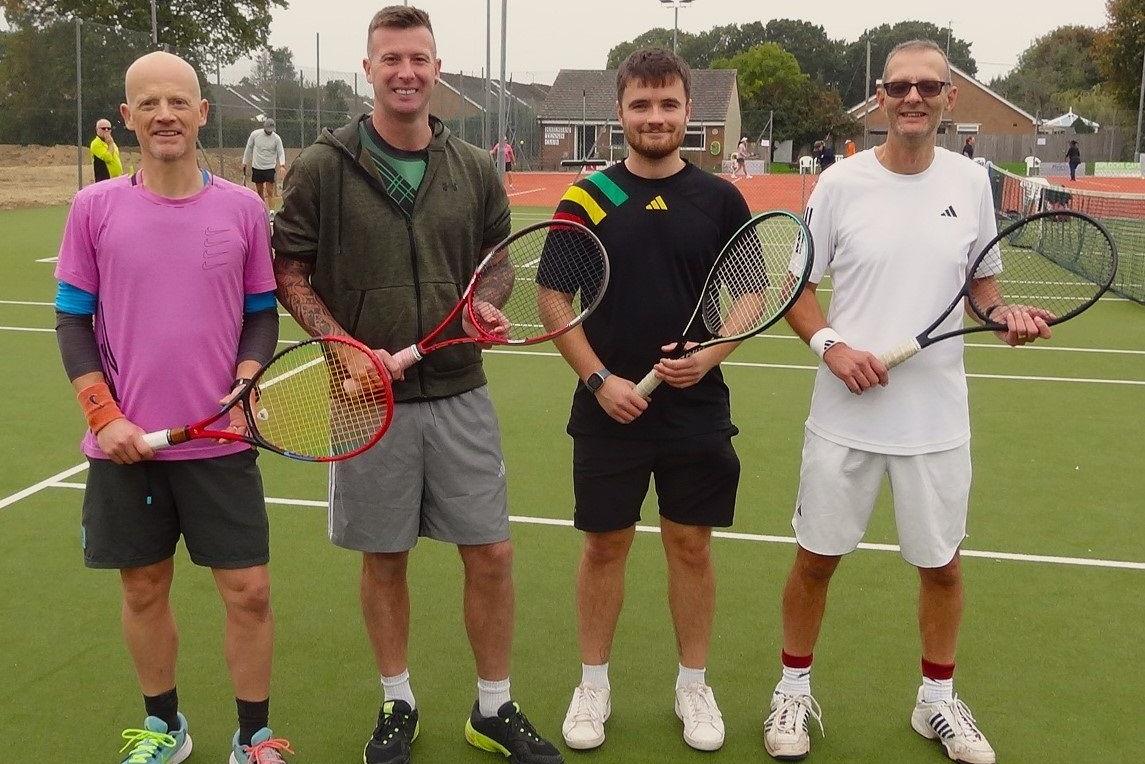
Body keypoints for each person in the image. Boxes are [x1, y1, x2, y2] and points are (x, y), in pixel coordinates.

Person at [271, 7, 562, 764]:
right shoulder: (321, 166)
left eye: (419, 59)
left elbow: (496, 262)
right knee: (384, 556)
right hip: (367, 399)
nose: (406, 72)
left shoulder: (473, 167)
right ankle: (396, 700)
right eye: (391, 59)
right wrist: (343, 349)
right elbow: (289, 270)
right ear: (367, 69)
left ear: (437, 68)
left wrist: (487, 302)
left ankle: (492, 707)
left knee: (491, 553)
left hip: (460, 388)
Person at [762, 39, 1051, 764]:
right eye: (898, 87)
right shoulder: (838, 185)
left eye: (927, 86)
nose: (912, 97)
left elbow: (981, 288)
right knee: (815, 561)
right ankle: (792, 690)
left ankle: (936, 701)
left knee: (942, 567)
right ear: (880, 99)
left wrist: (1004, 317)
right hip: (843, 417)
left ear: (949, 97)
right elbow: (796, 290)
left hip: (936, 421)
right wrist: (832, 346)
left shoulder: (971, 182)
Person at [54, 51, 290, 764]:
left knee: (249, 591)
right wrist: (104, 416)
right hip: (128, 446)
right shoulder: (94, 208)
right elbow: (72, 320)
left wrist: (247, 376)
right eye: (149, 103)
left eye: (178, 102)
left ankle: (253, 737)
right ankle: (165, 728)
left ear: (201, 114)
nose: (165, 115)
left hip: (221, 441)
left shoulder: (243, 209)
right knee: (144, 589)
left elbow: (261, 312)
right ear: (127, 117)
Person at [549, 47, 751, 754]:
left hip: (695, 409)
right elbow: (553, 299)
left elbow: (751, 293)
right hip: (608, 410)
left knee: (690, 546)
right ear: (620, 112)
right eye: (641, 104)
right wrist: (598, 380)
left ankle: (692, 684)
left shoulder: (720, 199)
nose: (655, 116)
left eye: (668, 104)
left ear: (688, 111)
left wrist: (709, 355)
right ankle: (592, 686)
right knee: (604, 546)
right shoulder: (588, 197)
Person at [243, 117, 287, 210]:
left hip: (270, 167)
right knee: (259, 191)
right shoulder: (255, 135)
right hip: (257, 167)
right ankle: (263, 210)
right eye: (268, 130)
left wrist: (282, 165)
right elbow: (249, 148)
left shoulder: (276, 138)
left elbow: (281, 152)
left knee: (270, 191)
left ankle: (271, 212)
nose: (269, 132)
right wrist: (245, 161)